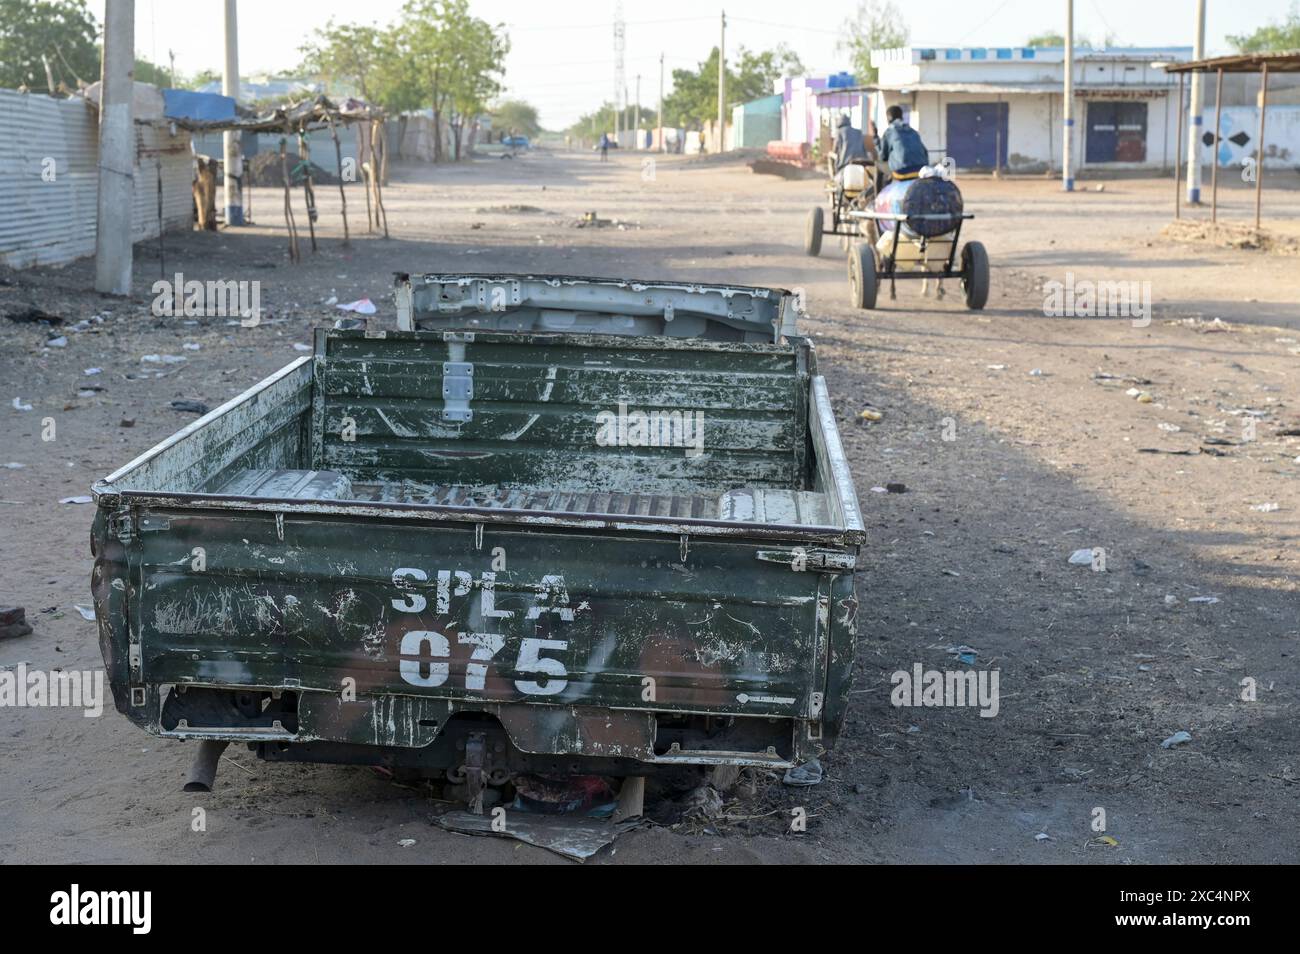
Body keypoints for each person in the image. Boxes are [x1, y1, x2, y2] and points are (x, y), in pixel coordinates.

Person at [876, 105, 929, 179]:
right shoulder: (913, 131)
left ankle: (880, 190)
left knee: (878, 165)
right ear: (901, 117)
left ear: (889, 118)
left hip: (903, 171)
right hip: (922, 169)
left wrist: (876, 139)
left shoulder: (890, 132)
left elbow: (883, 157)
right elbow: (925, 152)